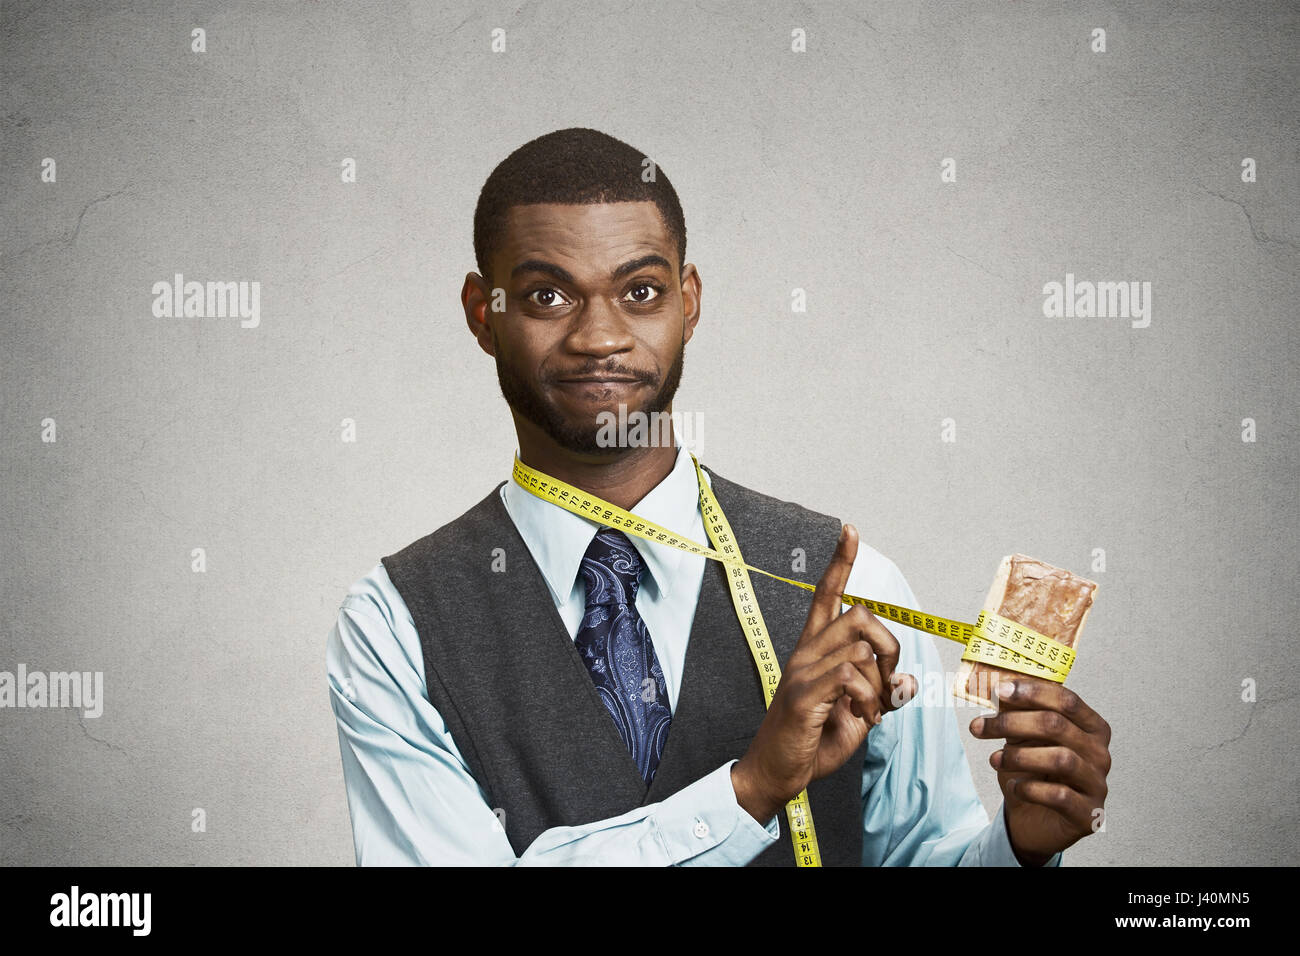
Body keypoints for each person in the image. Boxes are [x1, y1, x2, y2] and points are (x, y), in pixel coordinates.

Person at [325, 127, 1112, 866]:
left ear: (689, 300)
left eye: (639, 291)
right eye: (547, 297)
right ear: (481, 314)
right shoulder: (394, 625)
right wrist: (750, 789)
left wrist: (1019, 847)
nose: (600, 336)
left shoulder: (852, 588)